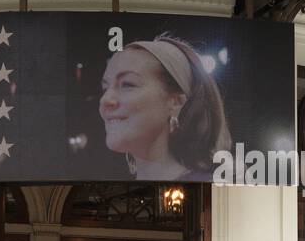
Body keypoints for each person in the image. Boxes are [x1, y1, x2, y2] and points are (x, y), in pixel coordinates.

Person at [98, 34, 232, 180]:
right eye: (105, 88)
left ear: (176, 102)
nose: (106, 100)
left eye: (127, 84)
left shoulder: (211, 184)